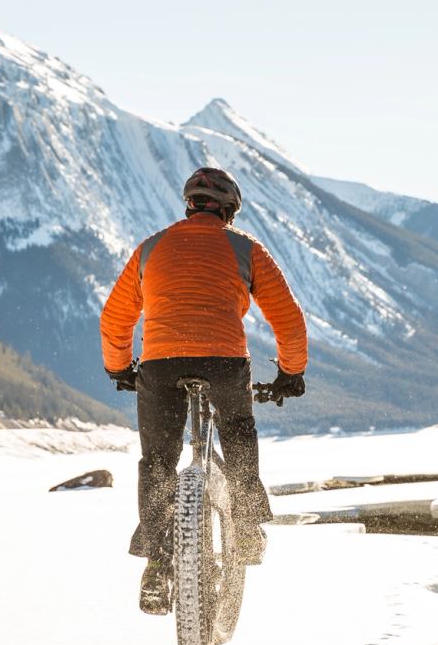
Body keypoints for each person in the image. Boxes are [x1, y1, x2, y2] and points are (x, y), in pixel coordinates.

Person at [100, 166, 308, 614]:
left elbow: (115, 317)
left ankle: (158, 563)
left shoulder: (151, 248)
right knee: (236, 431)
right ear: (229, 211)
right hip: (225, 361)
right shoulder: (246, 248)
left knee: (158, 459)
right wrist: (291, 372)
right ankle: (248, 526)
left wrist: (119, 367)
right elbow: (288, 318)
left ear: (188, 205)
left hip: (159, 364)